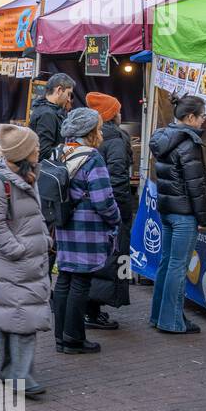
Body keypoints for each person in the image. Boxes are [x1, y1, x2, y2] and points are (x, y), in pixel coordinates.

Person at [0, 125, 49, 396]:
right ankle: (22, 377)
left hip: (24, 262)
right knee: (23, 319)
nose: (38, 150)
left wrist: (43, 241)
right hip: (15, 263)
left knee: (11, 317)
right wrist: (18, 250)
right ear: (22, 153)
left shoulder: (26, 177)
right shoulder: (1, 183)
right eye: (33, 147)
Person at [51, 108, 121, 354]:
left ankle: (60, 336)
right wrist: (115, 219)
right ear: (90, 132)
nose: (101, 133)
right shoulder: (92, 158)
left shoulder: (60, 151)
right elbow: (103, 199)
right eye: (99, 128)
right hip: (87, 228)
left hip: (63, 223)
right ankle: (74, 338)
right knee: (80, 281)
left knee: (64, 279)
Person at [149, 94, 206, 335]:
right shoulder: (189, 143)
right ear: (190, 117)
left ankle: (159, 316)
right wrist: (204, 219)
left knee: (167, 263)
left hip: (167, 209)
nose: (204, 120)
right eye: (202, 116)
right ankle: (172, 321)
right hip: (184, 213)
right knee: (177, 265)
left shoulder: (164, 138)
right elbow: (196, 186)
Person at [85, 92, 135, 330]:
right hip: (112, 207)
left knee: (100, 260)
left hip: (100, 207)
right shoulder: (115, 140)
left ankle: (93, 308)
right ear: (112, 114)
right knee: (109, 260)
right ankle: (92, 310)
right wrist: (121, 210)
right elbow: (117, 177)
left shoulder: (100, 137)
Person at [29, 72, 75, 162]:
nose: (69, 99)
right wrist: (71, 149)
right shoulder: (47, 114)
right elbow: (43, 153)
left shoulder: (47, 111)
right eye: (68, 94)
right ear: (59, 90)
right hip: (48, 171)